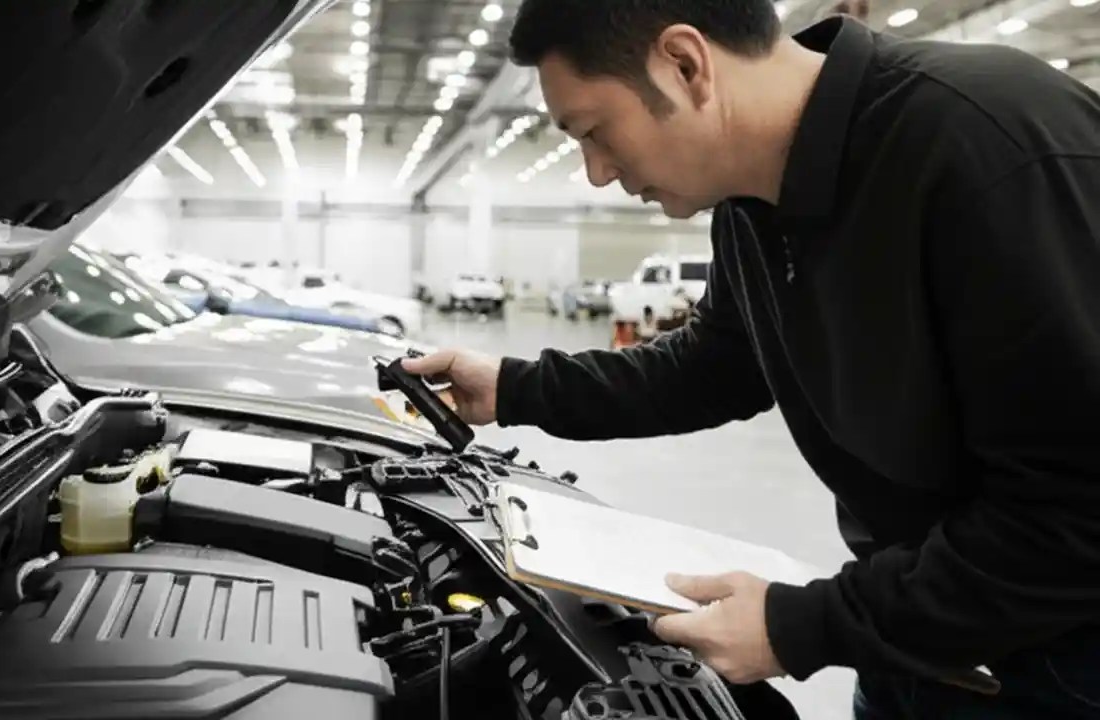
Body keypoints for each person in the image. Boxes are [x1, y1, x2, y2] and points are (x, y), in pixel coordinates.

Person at [402, 2, 1100, 717]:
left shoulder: (990, 143)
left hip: (1068, 660)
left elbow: (1078, 513)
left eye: (593, 131)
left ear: (684, 64)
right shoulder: (753, 199)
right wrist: (514, 390)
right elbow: (716, 365)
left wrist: (804, 625)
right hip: (921, 630)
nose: (596, 173)